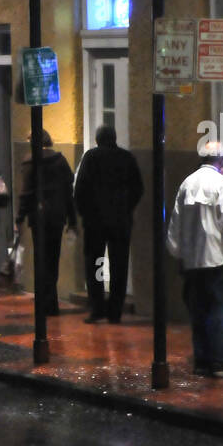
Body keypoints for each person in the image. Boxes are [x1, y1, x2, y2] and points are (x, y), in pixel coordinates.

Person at [167, 140, 223, 377]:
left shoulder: (187, 183)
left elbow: (175, 226)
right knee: (220, 312)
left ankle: (202, 361)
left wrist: (178, 253)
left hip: (191, 262)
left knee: (198, 313)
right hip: (218, 261)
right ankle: (222, 362)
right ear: (222, 160)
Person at [74, 124, 144, 324]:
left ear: (97, 139)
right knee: (119, 265)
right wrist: (127, 208)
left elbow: (80, 190)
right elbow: (138, 188)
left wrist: (85, 213)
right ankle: (115, 310)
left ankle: (97, 308)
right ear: (114, 138)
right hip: (120, 221)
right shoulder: (126, 158)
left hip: (95, 222)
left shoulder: (91, 157)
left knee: (95, 263)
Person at [16, 129, 77, 316]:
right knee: (53, 258)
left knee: (40, 259)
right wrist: (71, 219)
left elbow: (26, 193)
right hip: (57, 216)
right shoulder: (61, 161)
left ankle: (43, 302)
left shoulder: (30, 160)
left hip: (39, 216)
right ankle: (52, 302)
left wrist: (20, 217)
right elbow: (69, 191)